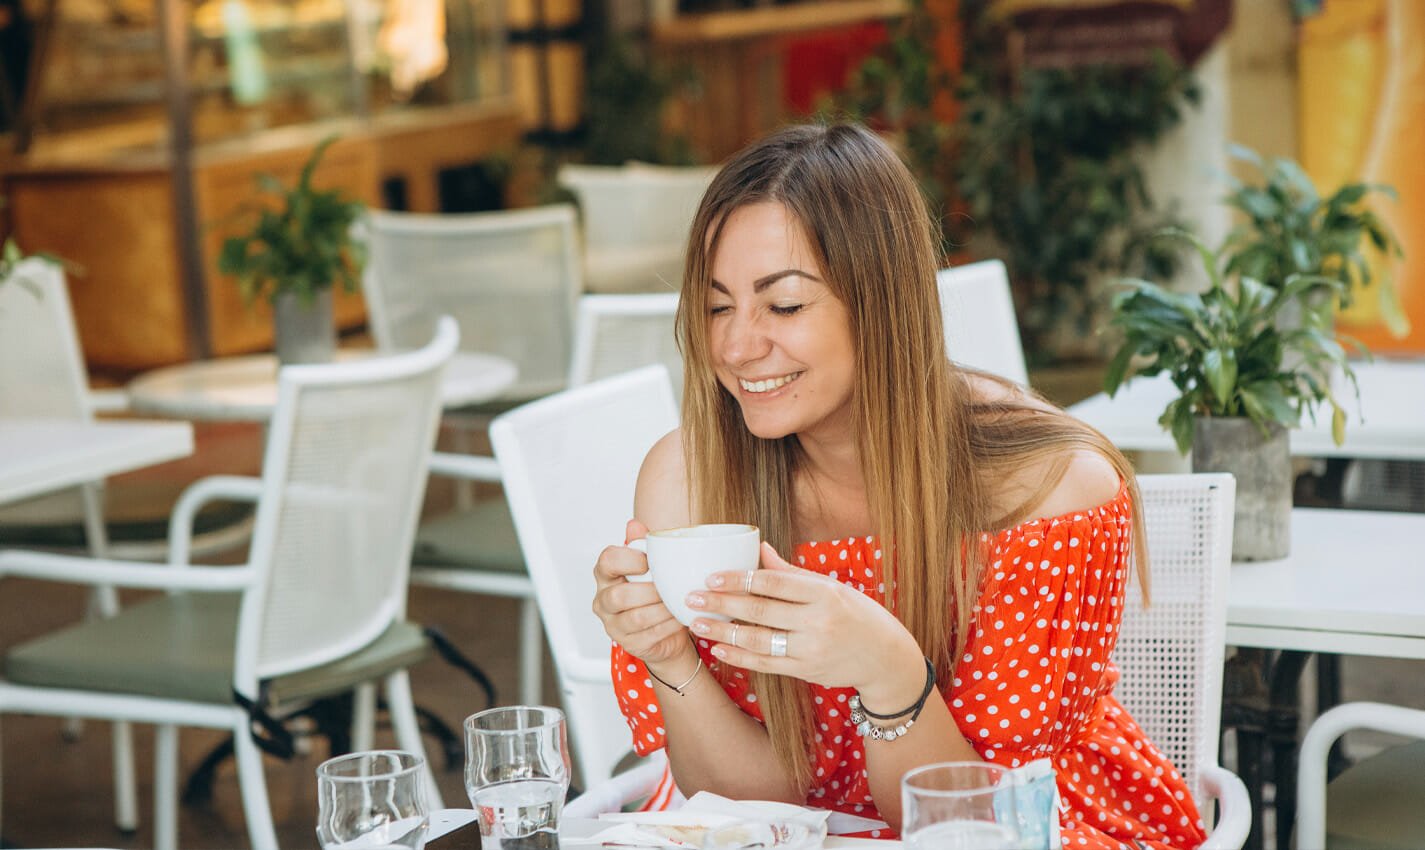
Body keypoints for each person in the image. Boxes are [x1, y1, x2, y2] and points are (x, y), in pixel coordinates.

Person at [590, 122, 1207, 850]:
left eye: (783, 305)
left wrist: (886, 672)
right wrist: (669, 658)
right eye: (718, 305)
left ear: (881, 303)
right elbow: (756, 807)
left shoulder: (1046, 489)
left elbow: (974, 828)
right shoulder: (690, 480)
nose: (734, 346)